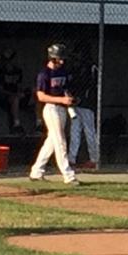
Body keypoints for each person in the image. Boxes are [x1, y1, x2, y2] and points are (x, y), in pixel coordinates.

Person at [29, 44, 80, 185]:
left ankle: (36, 171)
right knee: (60, 141)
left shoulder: (63, 71)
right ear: (52, 58)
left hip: (62, 108)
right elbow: (41, 97)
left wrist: (69, 98)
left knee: (51, 141)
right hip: (51, 109)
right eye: (59, 59)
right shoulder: (44, 74)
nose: (62, 61)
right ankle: (68, 175)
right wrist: (61, 99)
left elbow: (65, 88)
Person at [68, 55, 99, 170]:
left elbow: (91, 86)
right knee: (74, 131)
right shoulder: (75, 69)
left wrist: (82, 97)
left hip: (87, 105)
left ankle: (94, 159)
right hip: (76, 104)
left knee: (89, 132)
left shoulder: (92, 68)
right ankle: (71, 159)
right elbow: (72, 84)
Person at [0, 48, 25, 134]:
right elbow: (0, 90)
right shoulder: (1, 72)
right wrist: (13, 94)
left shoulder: (18, 71)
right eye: (7, 60)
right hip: (3, 98)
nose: (10, 62)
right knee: (14, 98)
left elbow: (20, 86)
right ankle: (16, 124)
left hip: (16, 95)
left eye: (12, 59)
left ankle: (39, 124)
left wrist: (21, 93)